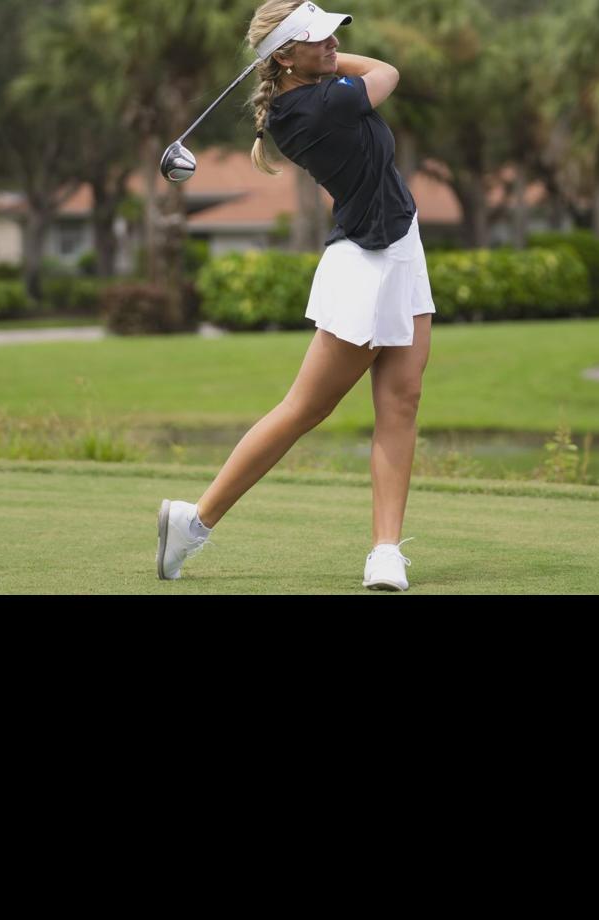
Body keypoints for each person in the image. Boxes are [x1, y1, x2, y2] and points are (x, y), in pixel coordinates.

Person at [159, 0, 435, 591]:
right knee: (305, 409)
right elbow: (385, 71)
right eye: (320, 36)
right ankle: (194, 521)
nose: (334, 42)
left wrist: (311, 58)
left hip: (401, 247)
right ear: (284, 54)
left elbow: (356, 72)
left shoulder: (315, 89)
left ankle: (385, 552)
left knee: (402, 401)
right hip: (366, 262)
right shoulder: (316, 104)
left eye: (335, 33)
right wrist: (324, 66)